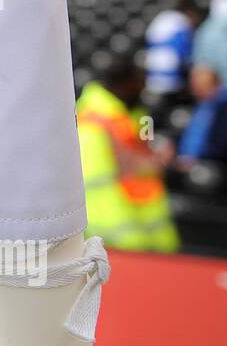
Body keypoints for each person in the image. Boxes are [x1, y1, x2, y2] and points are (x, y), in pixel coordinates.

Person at [76, 57, 180, 251]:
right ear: (125, 84)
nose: (142, 88)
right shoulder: (96, 119)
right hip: (112, 224)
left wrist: (158, 151)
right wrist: (152, 161)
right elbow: (126, 164)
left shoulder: (138, 113)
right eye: (139, 82)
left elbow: (147, 143)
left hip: (145, 216)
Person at [174, 65, 227, 165]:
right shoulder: (199, 106)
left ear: (216, 84)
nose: (195, 92)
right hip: (188, 161)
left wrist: (196, 159)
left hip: (212, 164)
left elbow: (226, 146)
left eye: (202, 87)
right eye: (194, 87)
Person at [144, 0, 201, 96]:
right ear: (190, 11)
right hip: (173, 83)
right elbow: (185, 57)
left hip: (151, 81)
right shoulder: (182, 22)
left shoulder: (160, 18)